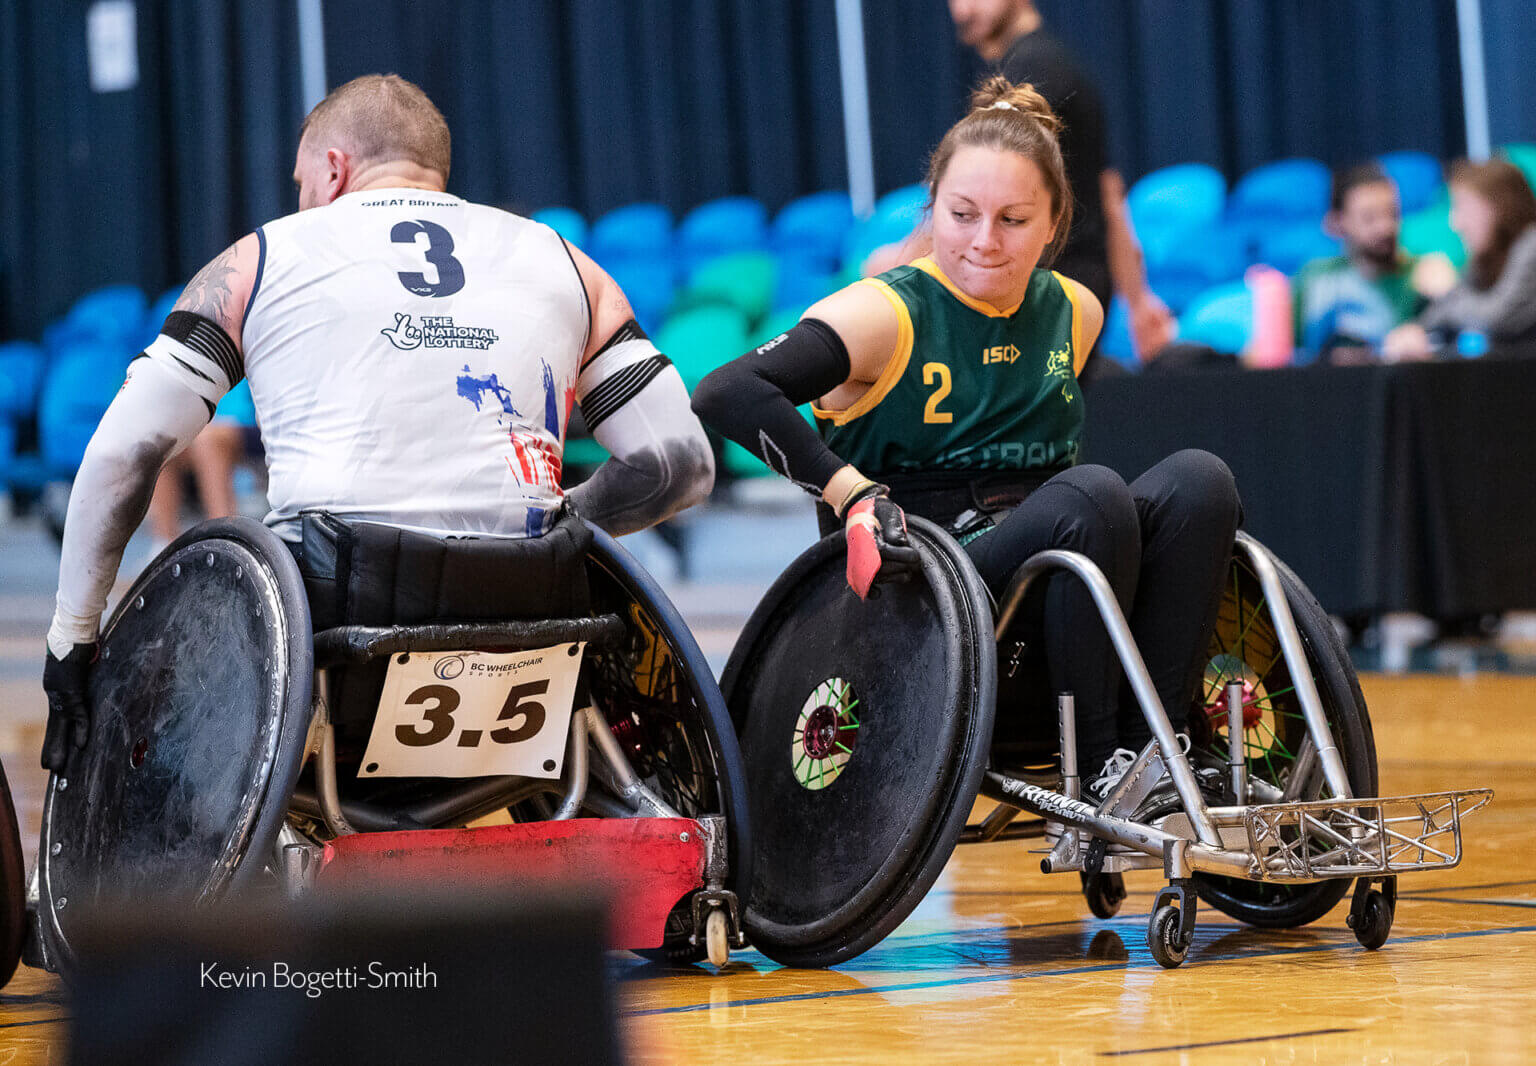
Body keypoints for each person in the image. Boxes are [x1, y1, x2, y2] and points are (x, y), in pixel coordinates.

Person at [40, 74, 713, 772]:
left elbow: (123, 452)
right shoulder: (570, 264)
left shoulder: (257, 260)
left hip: (335, 636)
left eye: (301, 181)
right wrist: (559, 524)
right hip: (535, 617)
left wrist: (73, 638)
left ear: (332, 169)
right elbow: (680, 465)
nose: (299, 200)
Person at [692, 78, 1241, 795]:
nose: (984, 241)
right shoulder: (883, 314)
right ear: (934, 213)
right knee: (1092, 494)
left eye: (1014, 219)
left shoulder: (1076, 310)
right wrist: (848, 489)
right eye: (962, 215)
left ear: (1055, 225)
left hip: (1045, 554)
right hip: (919, 575)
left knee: (1201, 481)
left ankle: (1152, 749)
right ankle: (1104, 767)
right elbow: (725, 391)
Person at [948, 0, 1176, 370]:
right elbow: (1108, 193)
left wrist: (900, 267)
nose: (962, 11)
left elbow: (981, 196)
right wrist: (1137, 299)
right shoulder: (1050, 65)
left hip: (1046, 291)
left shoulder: (1032, 73)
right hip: (1073, 286)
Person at [1384, 158, 1536, 360]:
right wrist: (1415, 331)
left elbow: (1497, 319)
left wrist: (1446, 289)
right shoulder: (1485, 257)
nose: (1456, 223)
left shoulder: (1531, 245)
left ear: (1500, 206)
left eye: (1463, 207)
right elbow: (1447, 309)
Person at [1291, 163, 1431, 362]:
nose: (1385, 227)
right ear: (1336, 222)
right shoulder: (1314, 277)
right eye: (1369, 218)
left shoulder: (1420, 275)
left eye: (1392, 214)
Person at [145, 381, 256, 549]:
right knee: (160, 439)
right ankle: (164, 544)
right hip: (209, 422)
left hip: (250, 422)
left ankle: (226, 542)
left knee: (207, 440)